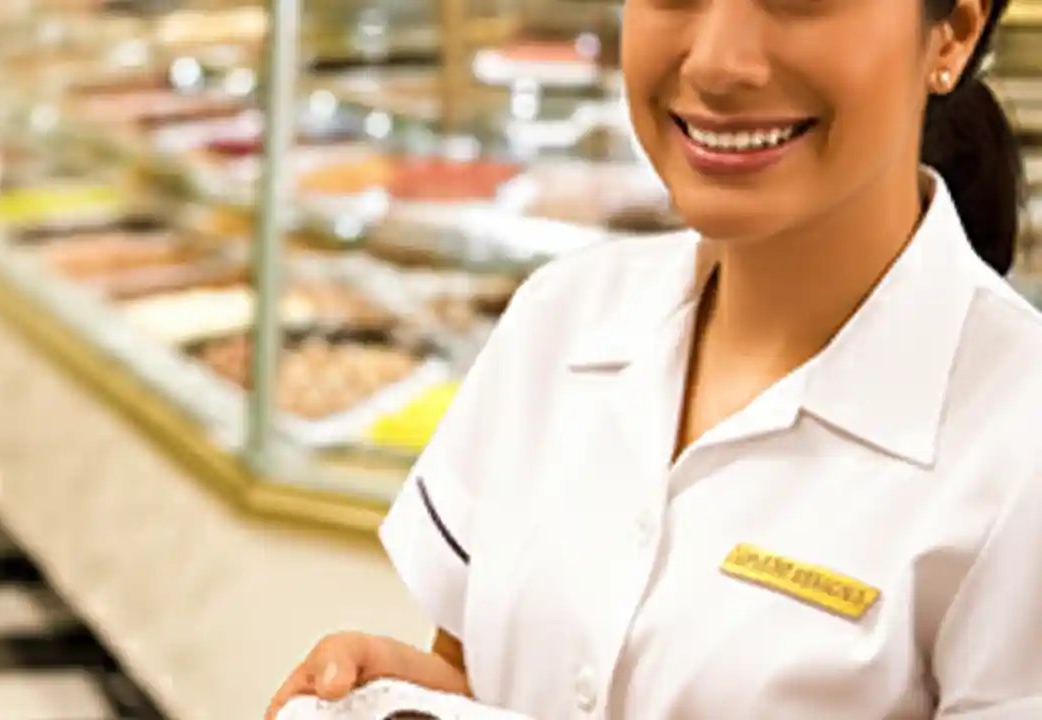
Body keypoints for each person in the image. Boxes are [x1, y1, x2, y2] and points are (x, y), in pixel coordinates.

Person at [268, 0, 1042, 717]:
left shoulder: (1016, 442)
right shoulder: (560, 319)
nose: (715, 62)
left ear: (953, 31)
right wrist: (412, 699)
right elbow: (489, 686)